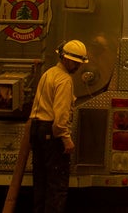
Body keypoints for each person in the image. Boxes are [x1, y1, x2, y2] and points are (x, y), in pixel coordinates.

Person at [30, 39, 88, 213]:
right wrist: (66, 139)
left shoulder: (49, 73)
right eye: (75, 63)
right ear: (65, 59)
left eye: (80, 63)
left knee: (40, 181)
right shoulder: (64, 80)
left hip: (37, 128)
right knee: (57, 185)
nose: (77, 67)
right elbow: (61, 116)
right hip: (51, 132)